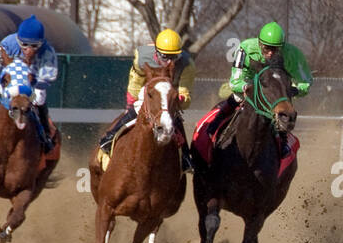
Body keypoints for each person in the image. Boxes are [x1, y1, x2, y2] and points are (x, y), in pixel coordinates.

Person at [97, 28, 195, 168]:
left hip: (169, 96)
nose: (169, 62)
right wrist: (132, 103)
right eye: (165, 57)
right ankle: (109, 138)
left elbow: (185, 91)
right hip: (148, 92)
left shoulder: (187, 65)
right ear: (156, 52)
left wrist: (179, 99)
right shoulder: (142, 58)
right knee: (135, 110)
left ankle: (185, 157)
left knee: (176, 119)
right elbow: (136, 81)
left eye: (173, 57)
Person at [0, 15, 58, 150]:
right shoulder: (8, 44)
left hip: (33, 87)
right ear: (18, 40)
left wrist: (29, 83)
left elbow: (49, 76)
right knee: (0, 91)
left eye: (35, 46)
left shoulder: (48, 51)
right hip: (9, 85)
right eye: (24, 45)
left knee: (39, 97)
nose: (29, 50)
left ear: (41, 44)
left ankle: (45, 134)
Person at [214, 22, 311, 121]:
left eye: (275, 49)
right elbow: (235, 82)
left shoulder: (293, 55)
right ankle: (215, 124)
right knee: (237, 97)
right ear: (259, 43)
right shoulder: (244, 48)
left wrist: (292, 90)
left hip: (277, 90)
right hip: (249, 82)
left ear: (282, 46)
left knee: (284, 109)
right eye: (267, 48)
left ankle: (284, 134)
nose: (270, 53)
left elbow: (305, 83)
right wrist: (247, 87)